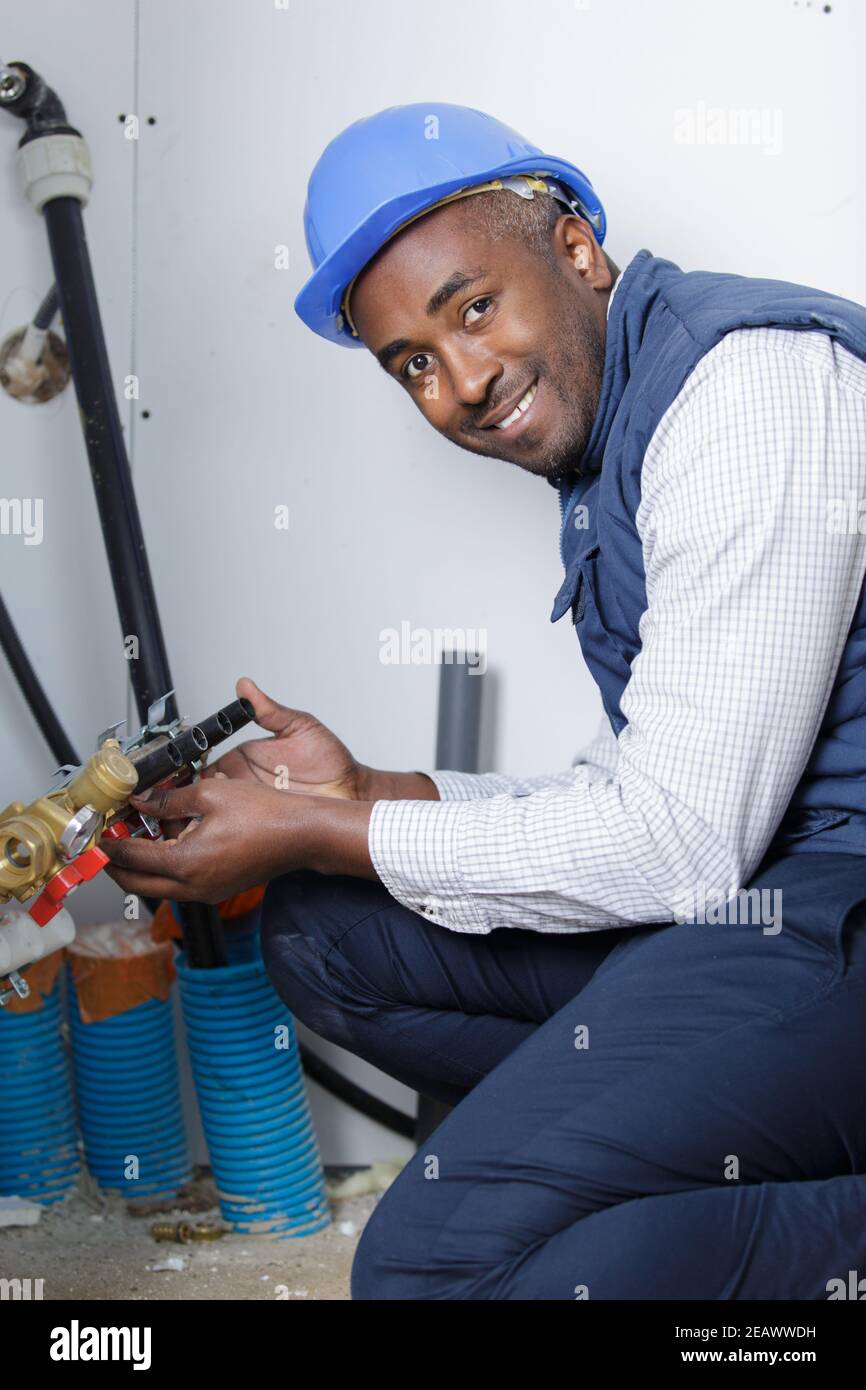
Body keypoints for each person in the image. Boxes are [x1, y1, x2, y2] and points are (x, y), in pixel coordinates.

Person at [103, 103, 866, 1300]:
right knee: (318, 931)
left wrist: (329, 824)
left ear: (574, 250)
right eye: (410, 359)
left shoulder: (743, 389)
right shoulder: (618, 425)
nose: (459, 381)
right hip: (758, 891)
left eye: (470, 307)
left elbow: (677, 843)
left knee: (431, 1272)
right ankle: (630, 1157)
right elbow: (648, 787)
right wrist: (364, 798)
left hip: (830, 913)